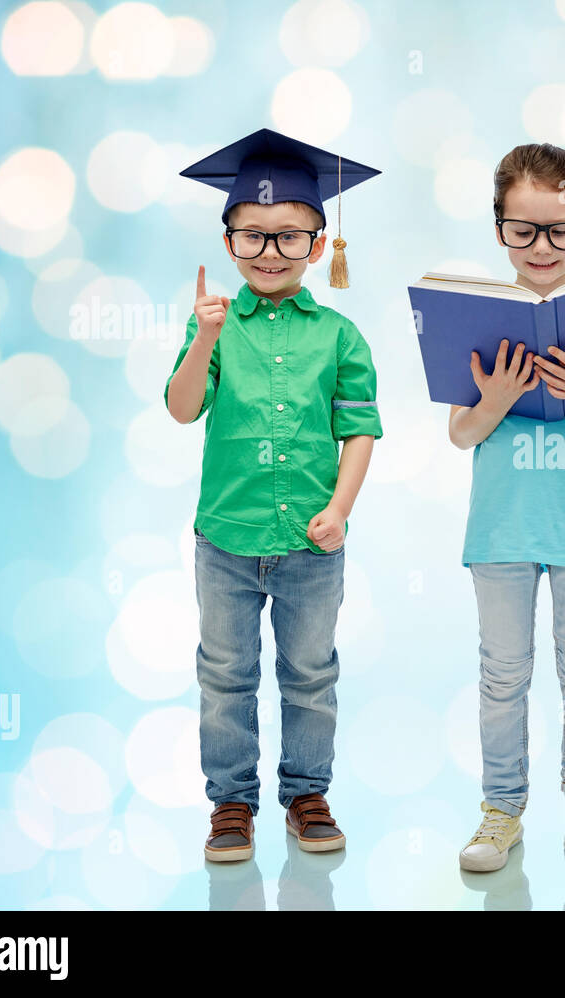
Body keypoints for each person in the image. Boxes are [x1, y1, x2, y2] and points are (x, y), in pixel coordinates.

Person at [165, 128, 382, 863]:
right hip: (226, 538)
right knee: (225, 673)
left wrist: (341, 508)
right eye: (252, 237)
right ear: (229, 241)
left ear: (320, 246)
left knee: (310, 671)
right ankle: (231, 803)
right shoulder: (217, 329)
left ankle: (307, 794)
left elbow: (360, 431)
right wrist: (202, 338)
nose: (269, 252)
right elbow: (181, 408)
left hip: (312, 543)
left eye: (290, 237)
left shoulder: (341, 335)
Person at [449, 143, 565, 879]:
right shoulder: (478, 316)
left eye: (561, 230)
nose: (543, 247)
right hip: (501, 526)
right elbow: (461, 432)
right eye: (523, 230)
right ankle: (502, 810)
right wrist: (493, 401)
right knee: (503, 672)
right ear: (499, 229)